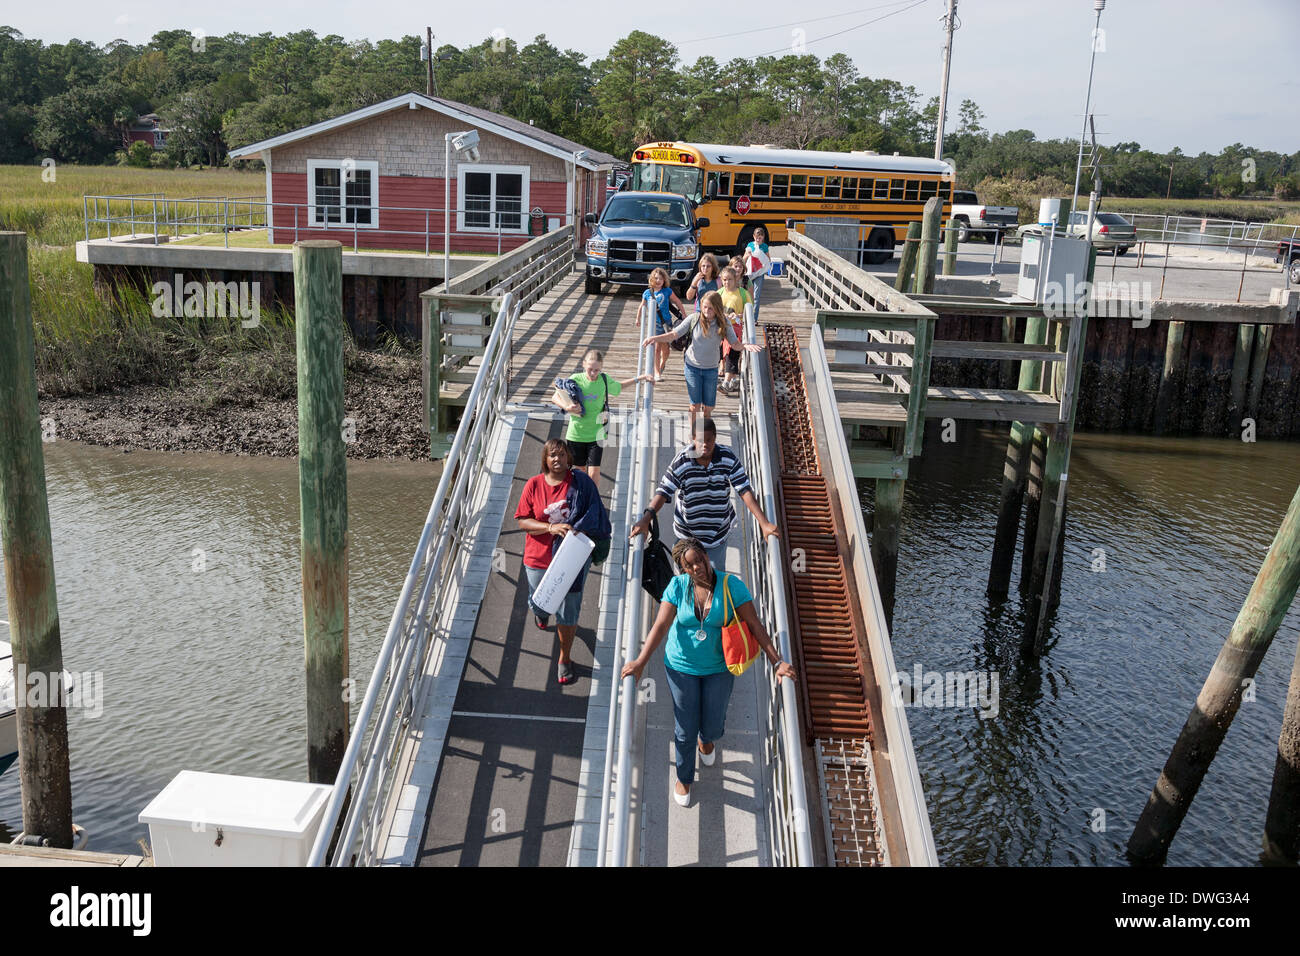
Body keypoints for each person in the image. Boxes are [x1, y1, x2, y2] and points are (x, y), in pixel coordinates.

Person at [620, 536, 796, 806]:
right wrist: (640, 662)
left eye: (699, 560)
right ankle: (684, 777)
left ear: (705, 555)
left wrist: (777, 661)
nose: (698, 568)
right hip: (681, 667)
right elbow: (660, 627)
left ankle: (708, 739)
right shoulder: (678, 587)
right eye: (690, 565)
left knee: (712, 723)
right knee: (684, 728)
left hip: (719, 668)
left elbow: (755, 625)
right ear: (682, 569)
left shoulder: (731, 586)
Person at [627, 416, 779, 573]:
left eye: (709, 439)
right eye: (700, 440)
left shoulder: (727, 457)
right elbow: (664, 491)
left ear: (715, 438)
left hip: (717, 535)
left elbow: (744, 490)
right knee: (686, 577)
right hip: (687, 534)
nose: (705, 444)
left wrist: (764, 524)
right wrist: (646, 520)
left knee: (714, 577)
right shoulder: (683, 461)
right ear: (693, 439)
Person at [515, 438, 610, 685]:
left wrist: (581, 529)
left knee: (568, 610)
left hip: (571, 560)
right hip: (538, 557)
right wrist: (550, 527)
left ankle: (564, 658)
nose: (557, 459)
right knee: (540, 600)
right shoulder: (533, 485)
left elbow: (595, 513)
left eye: (561, 455)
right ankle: (540, 610)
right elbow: (523, 521)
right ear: (545, 460)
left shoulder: (582, 483)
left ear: (569, 458)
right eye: (552, 455)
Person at [640, 291, 762, 438]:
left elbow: (734, 343)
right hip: (692, 367)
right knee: (695, 405)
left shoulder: (723, 322)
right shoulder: (694, 319)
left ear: (717, 308)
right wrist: (654, 338)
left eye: (710, 308)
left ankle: (706, 432)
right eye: (704, 307)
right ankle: (695, 435)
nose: (706, 311)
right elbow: (674, 334)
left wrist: (745, 346)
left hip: (711, 369)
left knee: (708, 407)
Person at [552, 348, 650, 487]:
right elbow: (555, 396)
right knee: (579, 471)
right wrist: (567, 407)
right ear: (584, 364)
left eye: (596, 370)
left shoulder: (604, 380)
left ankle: (593, 501)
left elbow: (619, 387)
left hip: (597, 434)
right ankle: (581, 500)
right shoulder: (575, 379)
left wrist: (639, 379)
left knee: (594, 473)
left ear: (601, 368)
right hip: (576, 434)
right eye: (590, 369)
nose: (593, 373)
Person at [635, 267, 686, 382]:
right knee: (656, 349)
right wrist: (638, 318)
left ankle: (662, 364)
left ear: (664, 280)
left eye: (661, 279)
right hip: (654, 324)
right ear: (652, 279)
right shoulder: (647, 293)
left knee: (666, 350)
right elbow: (642, 306)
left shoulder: (667, 291)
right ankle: (657, 372)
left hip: (666, 323)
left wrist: (683, 314)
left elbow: (677, 301)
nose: (658, 281)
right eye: (656, 278)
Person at [718, 267, 752, 395]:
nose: (727, 283)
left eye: (730, 280)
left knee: (732, 352)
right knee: (724, 354)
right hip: (721, 328)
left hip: (736, 328)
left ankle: (726, 382)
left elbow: (750, 311)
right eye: (724, 280)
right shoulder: (719, 293)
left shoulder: (743, 293)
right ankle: (733, 380)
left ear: (736, 279)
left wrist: (738, 315)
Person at [743, 226, 771, 320]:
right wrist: (748, 255)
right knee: (747, 294)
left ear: (763, 237)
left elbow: (768, 260)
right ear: (753, 236)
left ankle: (754, 319)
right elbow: (744, 259)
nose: (758, 239)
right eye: (757, 237)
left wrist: (763, 260)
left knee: (756, 296)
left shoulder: (765, 247)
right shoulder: (750, 245)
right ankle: (746, 316)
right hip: (750, 272)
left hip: (759, 273)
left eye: (760, 237)